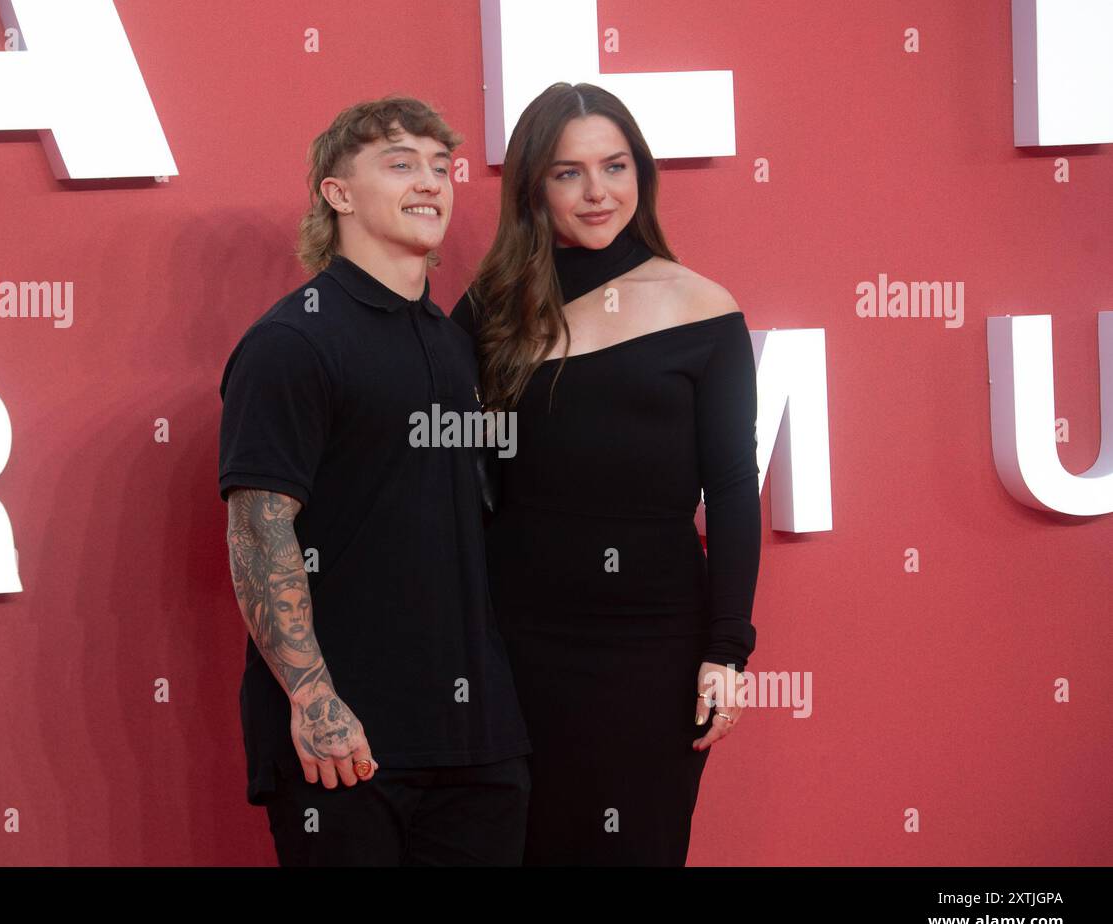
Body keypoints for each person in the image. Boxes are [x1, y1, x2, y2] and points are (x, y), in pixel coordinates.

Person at [450, 81, 762, 865]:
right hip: (515, 643)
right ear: (532, 186)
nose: (598, 193)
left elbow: (729, 490)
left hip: (651, 647)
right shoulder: (490, 310)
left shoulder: (703, 309)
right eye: (568, 173)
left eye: (615, 167)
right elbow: (448, 468)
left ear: (641, 175)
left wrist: (726, 651)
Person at [218, 95, 532, 866]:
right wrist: (314, 700)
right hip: (345, 740)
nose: (429, 181)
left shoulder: (456, 344)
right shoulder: (292, 341)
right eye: (399, 163)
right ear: (338, 192)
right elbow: (259, 529)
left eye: (439, 165)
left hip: (477, 744)